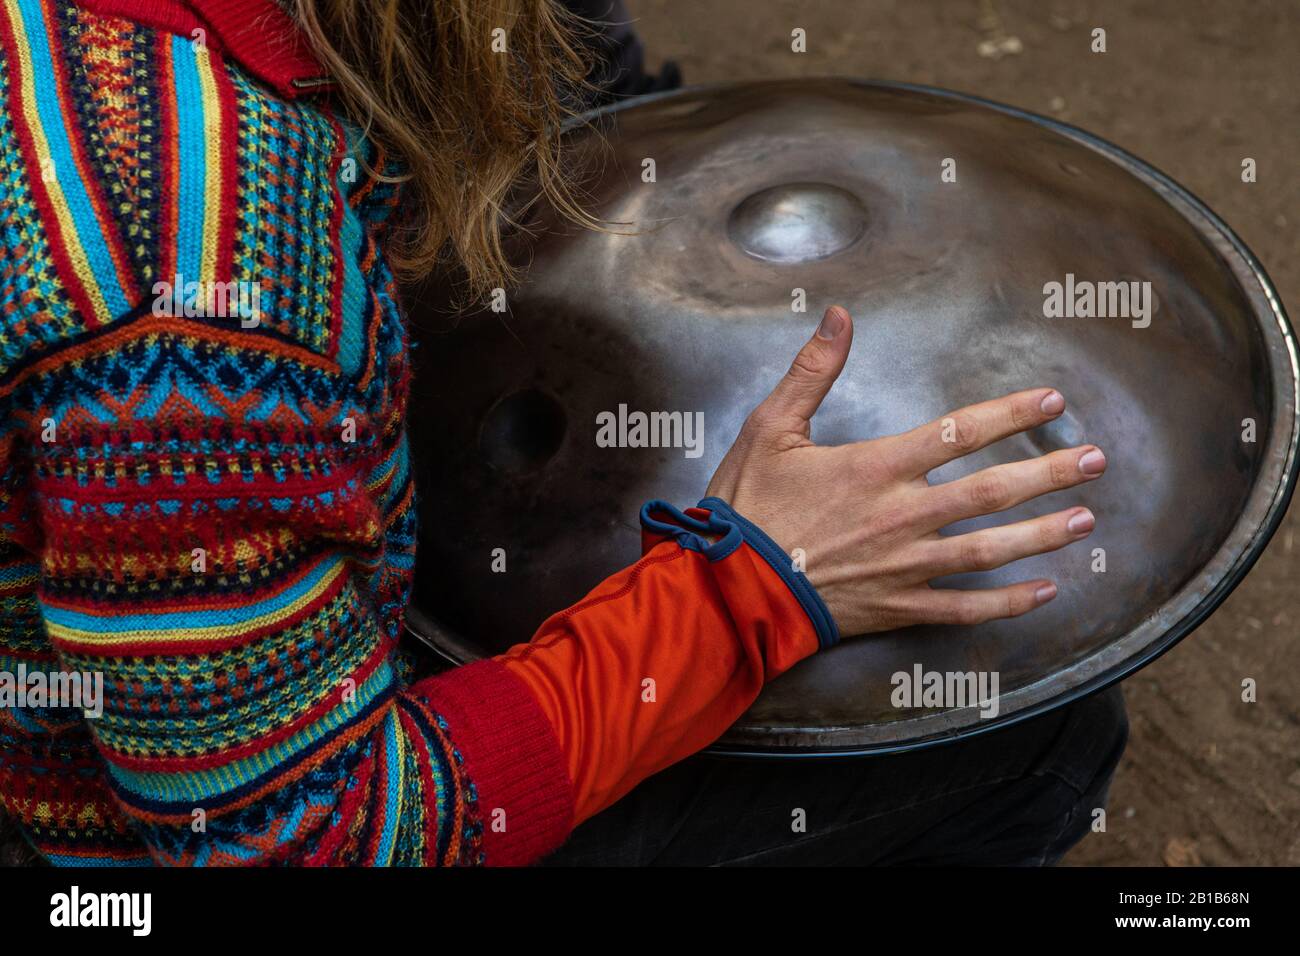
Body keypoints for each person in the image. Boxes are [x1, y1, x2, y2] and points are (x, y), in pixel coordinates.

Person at [0, 0, 1125, 867]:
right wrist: (743, 589)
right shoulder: (196, 271)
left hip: (183, 636)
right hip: (122, 837)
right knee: (1032, 741)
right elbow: (297, 838)